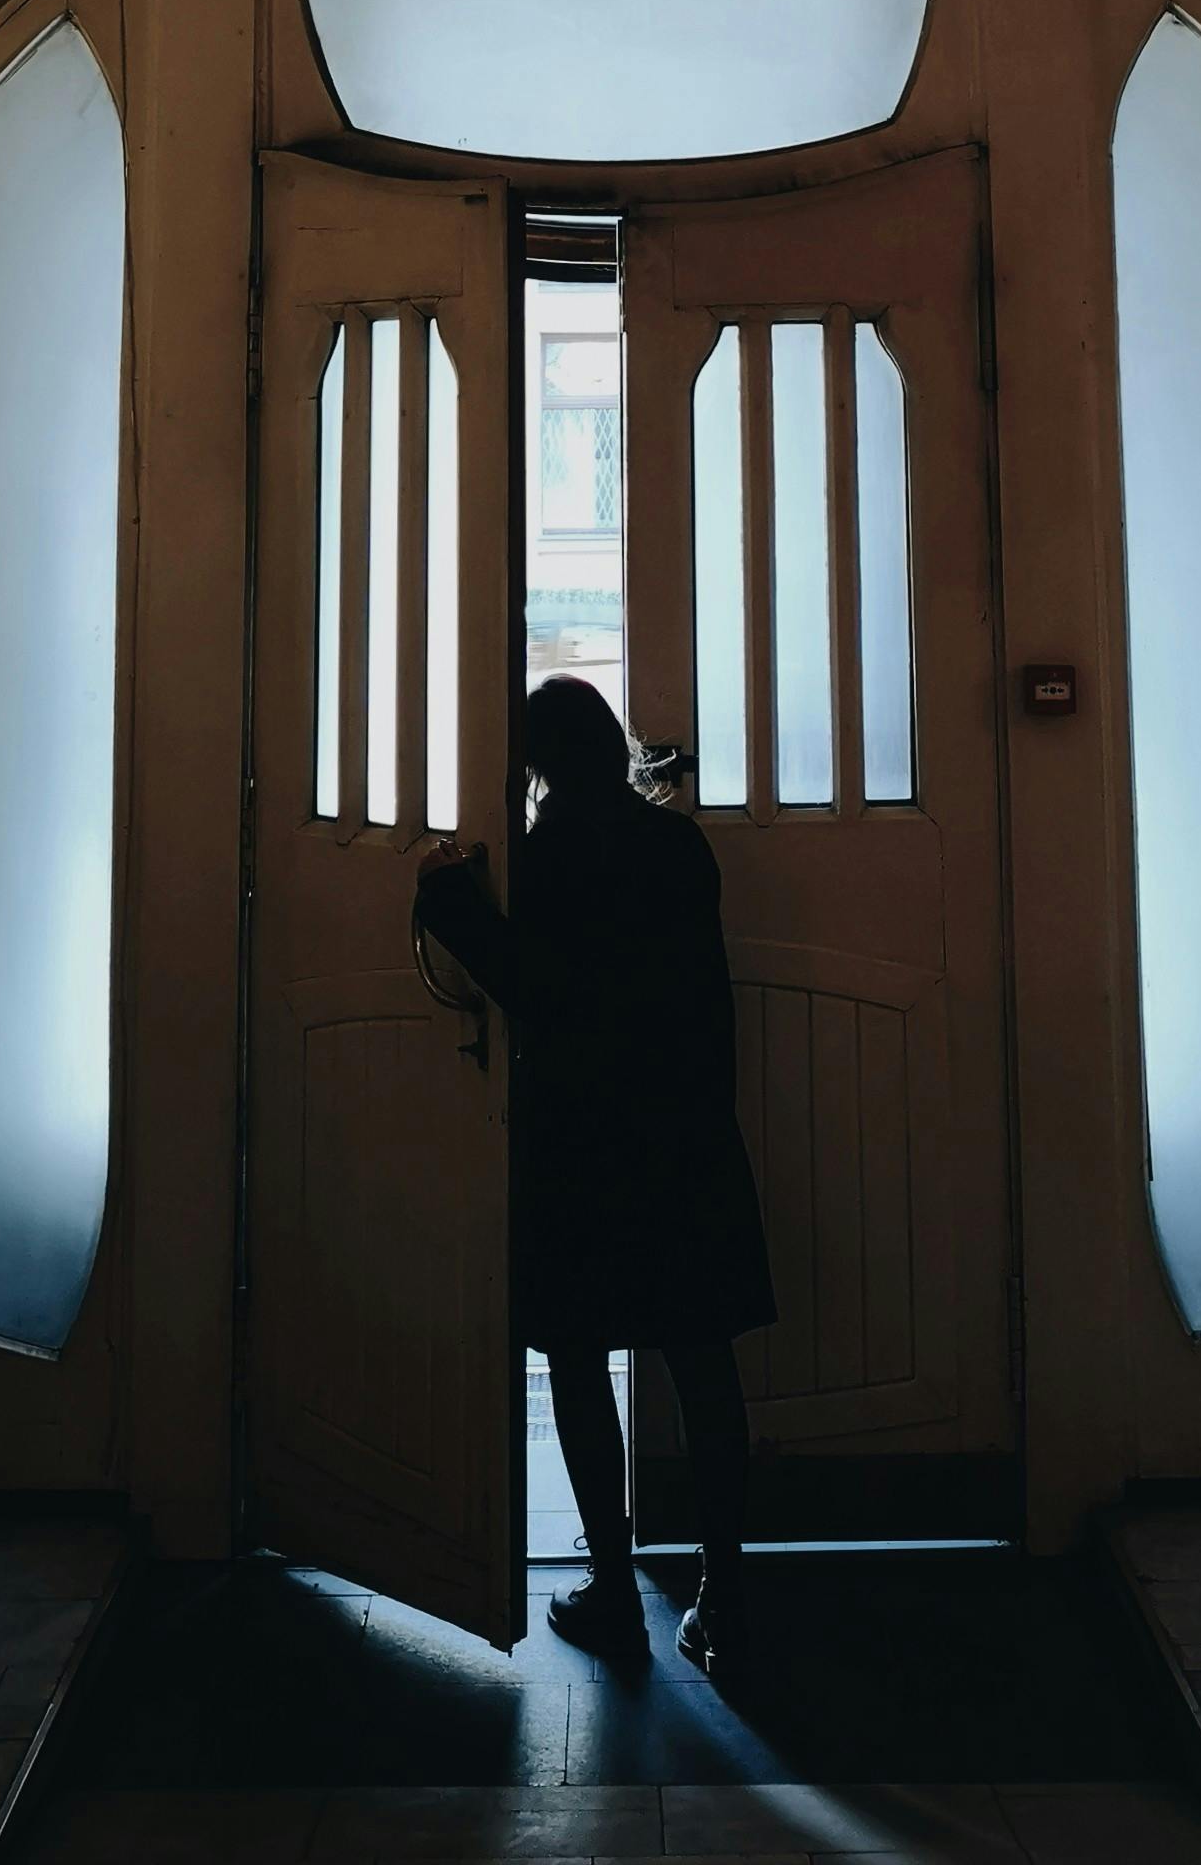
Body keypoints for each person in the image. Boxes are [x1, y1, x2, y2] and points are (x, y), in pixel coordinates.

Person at [414, 674, 775, 1671]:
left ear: (534, 764)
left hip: (585, 1141)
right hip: (688, 1130)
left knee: (576, 1357)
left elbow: (544, 990)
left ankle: (615, 1589)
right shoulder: (679, 845)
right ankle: (725, 1593)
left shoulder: (551, 857)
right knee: (703, 1360)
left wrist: (451, 905)